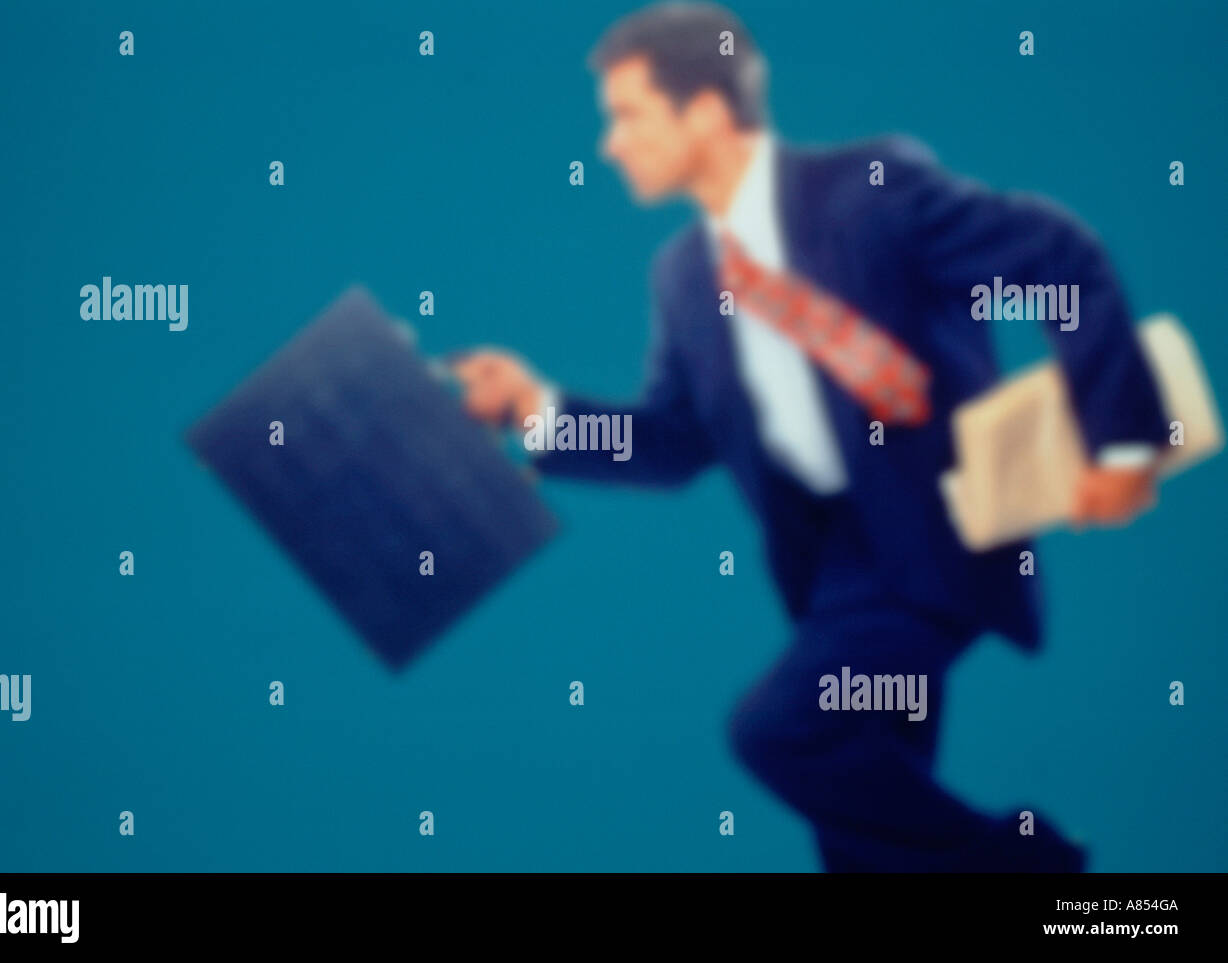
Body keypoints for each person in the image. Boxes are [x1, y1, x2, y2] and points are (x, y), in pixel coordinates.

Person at [453, 1, 1166, 871]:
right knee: (862, 829)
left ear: (707, 111)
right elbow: (677, 442)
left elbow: (1056, 259)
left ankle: (1041, 874)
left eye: (628, 115)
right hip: (834, 566)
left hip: (939, 531)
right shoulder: (682, 278)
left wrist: (1122, 444)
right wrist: (535, 405)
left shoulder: (871, 190)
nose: (610, 144)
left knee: (782, 733)